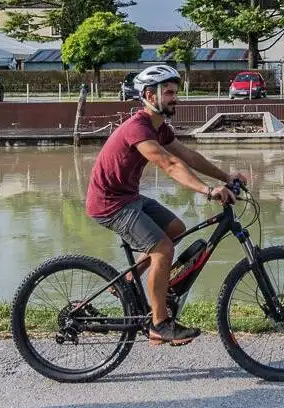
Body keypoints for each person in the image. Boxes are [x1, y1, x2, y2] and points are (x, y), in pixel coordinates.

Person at [87, 64, 247, 345]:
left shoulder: (159, 128)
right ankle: (159, 324)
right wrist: (208, 190)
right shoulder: (138, 128)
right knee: (163, 248)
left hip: (128, 197)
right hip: (109, 203)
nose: (176, 98)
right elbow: (169, 164)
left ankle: (128, 281)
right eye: (170, 92)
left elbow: (186, 155)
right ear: (150, 95)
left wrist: (226, 175)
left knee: (176, 228)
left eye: (176, 92)